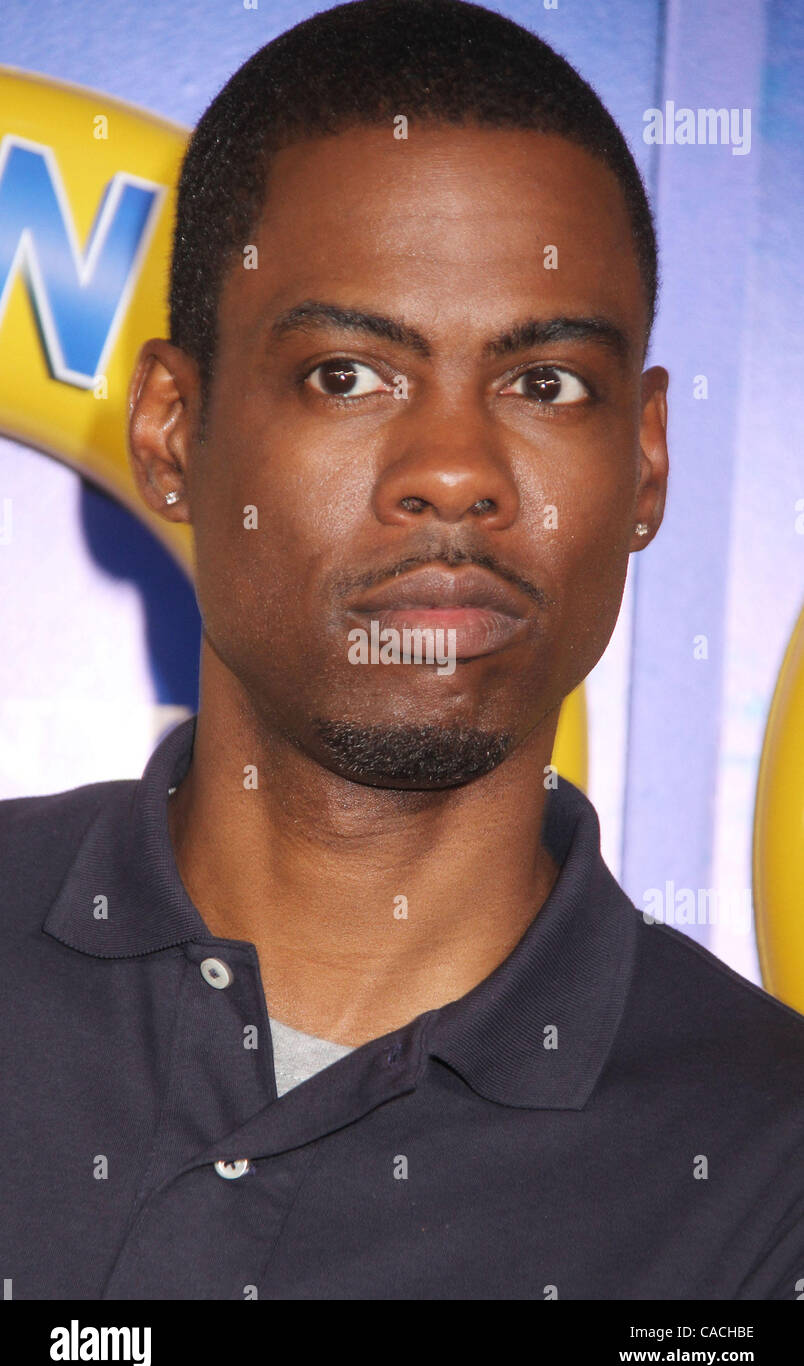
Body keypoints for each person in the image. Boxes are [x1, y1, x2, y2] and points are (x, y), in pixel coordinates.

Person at [2, 0, 802, 1300]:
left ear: (645, 460)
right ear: (168, 429)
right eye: (348, 374)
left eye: (544, 384)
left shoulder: (769, 1179)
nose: (452, 472)